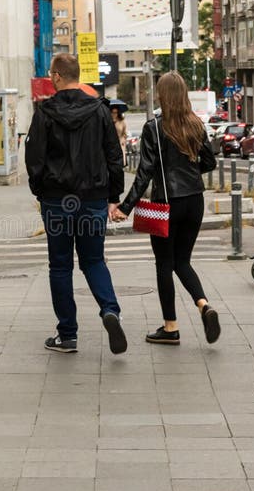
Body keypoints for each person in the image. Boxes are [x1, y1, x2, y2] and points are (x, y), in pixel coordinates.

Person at [25, 53, 127, 355]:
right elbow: (114, 156)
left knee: (60, 266)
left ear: (57, 76)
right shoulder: (99, 111)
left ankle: (67, 335)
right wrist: (113, 197)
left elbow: (35, 159)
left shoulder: (44, 112)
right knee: (94, 261)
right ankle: (110, 311)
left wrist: (39, 192)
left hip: (57, 201)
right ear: (78, 75)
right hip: (93, 199)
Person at [115, 71, 220, 346]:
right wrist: (189, 168)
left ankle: (170, 327)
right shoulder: (196, 123)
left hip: (166, 204)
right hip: (194, 200)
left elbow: (144, 173)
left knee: (165, 264)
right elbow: (210, 163)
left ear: (163, 95)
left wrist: (125, 207)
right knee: (183, 260)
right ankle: (203, 305)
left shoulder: (154, 127)